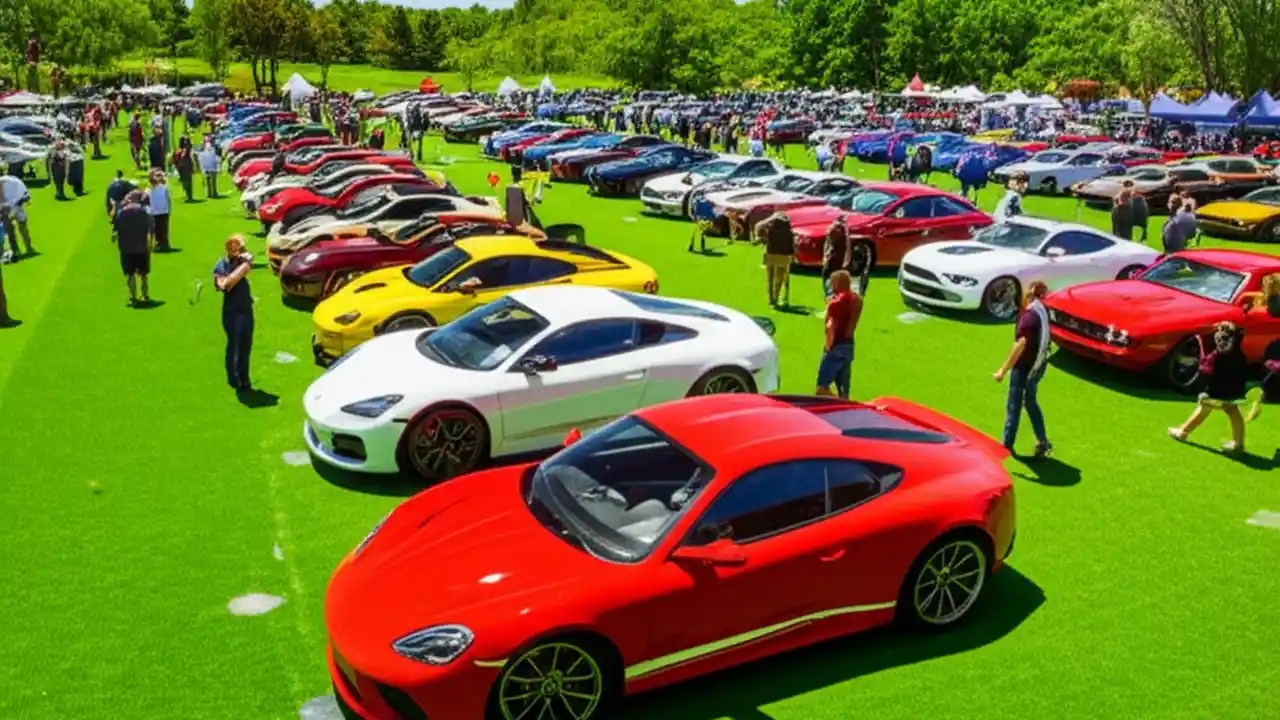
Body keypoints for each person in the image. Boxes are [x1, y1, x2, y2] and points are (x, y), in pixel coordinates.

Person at [993, 280, 1053, 457]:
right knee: (1031, 402)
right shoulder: (1043, 311)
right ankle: (1042, 441)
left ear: (1029, 295)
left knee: (1014, 405)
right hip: (1039, 365)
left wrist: (1002, 370)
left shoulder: (1028, 317)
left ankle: (1006, 445)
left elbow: (1021, 344)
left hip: (1024, 368)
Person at [1168, 322, 1247, 453]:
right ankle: (1238, 443)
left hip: (1216, 391)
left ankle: (1183, 432)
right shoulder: (1240, 355)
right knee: (1233, 411)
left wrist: (1202, 343)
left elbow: (1204, 368)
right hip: (1234, 391)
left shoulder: (1216, 355)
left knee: (1204, 407)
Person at [213, 235, 255, 391]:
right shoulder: (222, 265)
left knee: (245, 344)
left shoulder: (244, 263)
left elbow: (248, 266)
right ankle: (233, 377)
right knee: (234, 344)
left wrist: (244, 263)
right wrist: (241, 267)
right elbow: (224, 285)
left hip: (245, 309)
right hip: (232, 311)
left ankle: (244, 379)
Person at [816, 270, 861, 399]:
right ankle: (844, 405)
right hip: (849, 346)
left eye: (833, 282)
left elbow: (832, 326)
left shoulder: (836, 303)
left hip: (836, 345)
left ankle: (837, 403)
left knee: (821, 388)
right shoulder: (856, 300)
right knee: (844, 390)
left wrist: (828, 346)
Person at [113, 191, 153, 306]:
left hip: (127, 249)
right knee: (144, 274)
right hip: (142, 247)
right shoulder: (144, 212)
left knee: (130, 274)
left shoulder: (122, 213)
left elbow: (115, 231)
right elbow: (150, 228)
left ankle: (134, 297)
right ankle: (145, 296)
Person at [755, 212, 795, 307]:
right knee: (779, 279)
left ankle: (770, 299)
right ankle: (776, 299)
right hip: (783, 256)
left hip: (771, 254)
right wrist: (792, 255)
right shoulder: (789, 232)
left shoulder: (770, 229)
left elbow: (758, 226)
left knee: (770, 278)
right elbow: (791, 245)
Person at [0, 173, 33, 259]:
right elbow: (25, 194)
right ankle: (27, 248)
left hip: (11, 206)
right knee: (21, 226)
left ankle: (17, 250)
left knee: (11, 229)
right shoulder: (13, 179)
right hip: (17, 203)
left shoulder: (10, 180)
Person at [822, 216, 851, 297]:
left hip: (834, 261)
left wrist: (825, 257)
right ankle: (833, 296)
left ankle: (831, 297)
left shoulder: (835, 231)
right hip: (836, 261)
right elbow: (847, 247)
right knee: (833, 281)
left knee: (828, 280)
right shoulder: (842, 233)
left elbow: (827, 244)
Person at [147, 170, 172, 252]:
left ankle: (163, 244)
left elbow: (168, 199)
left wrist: (169, 209)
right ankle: (161, 244)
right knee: (159, 229)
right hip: (158, 211)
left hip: (160, 211)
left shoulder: (161, 188)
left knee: (162, 228)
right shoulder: (149, 190)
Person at [172, 136, 195, 202]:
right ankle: (188, 196)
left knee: (186, 182)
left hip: (183, 167)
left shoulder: (180, 150)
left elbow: (175, 160)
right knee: (187, 182)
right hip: (185, 167)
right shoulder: (183, 150)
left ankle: (188, 196)